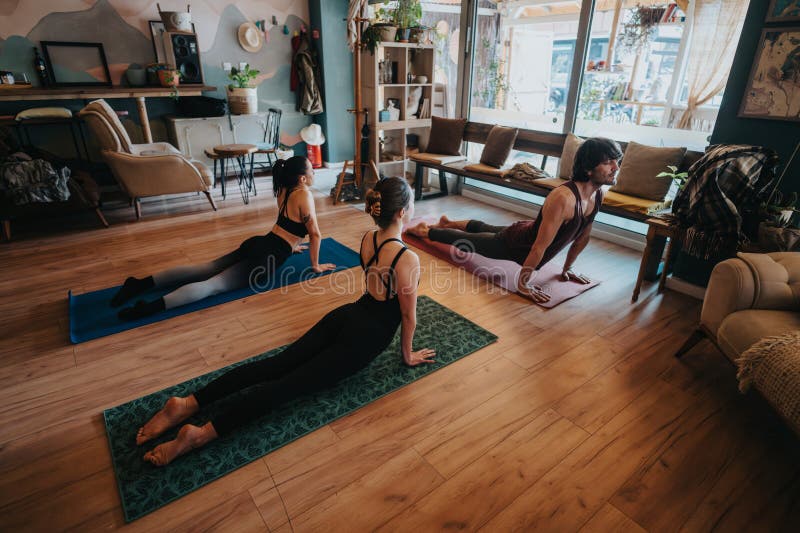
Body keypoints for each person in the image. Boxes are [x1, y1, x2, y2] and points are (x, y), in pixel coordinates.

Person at [136, 176, 435, 466]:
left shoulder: (369, 238)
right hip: (366, 337)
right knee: (288, 386)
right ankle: (200, 434)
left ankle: (188, 403)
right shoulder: (407, 258)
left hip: (348, 314)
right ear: (401, 212)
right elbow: (408, 316)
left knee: (276, 365)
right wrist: (407, 356)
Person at [112, 156, 336, 320]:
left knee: (205, 268)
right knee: (213, 285)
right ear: (303, 178)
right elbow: (315, 234)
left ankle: (138, 284)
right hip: (268, 255)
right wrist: (315, 265)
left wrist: (291, 246)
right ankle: (147, 309)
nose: (315, 174)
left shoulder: (284, 190)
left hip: (260, 242)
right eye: (312, 171)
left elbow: (288, 223)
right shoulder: (305, 194)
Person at [407, 137, 623, 303]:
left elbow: (582, 237)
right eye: (608, 162)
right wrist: (523, 285)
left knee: (484, 228)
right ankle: (426, 231)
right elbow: (539, 247)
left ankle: (448, 221)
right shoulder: (563, 198)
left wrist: (567, 269)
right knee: (471, 243)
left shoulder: (598, 195)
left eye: (616, 161)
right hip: (516, 245)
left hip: (525, 231)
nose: (615, 167)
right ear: (588, 168)